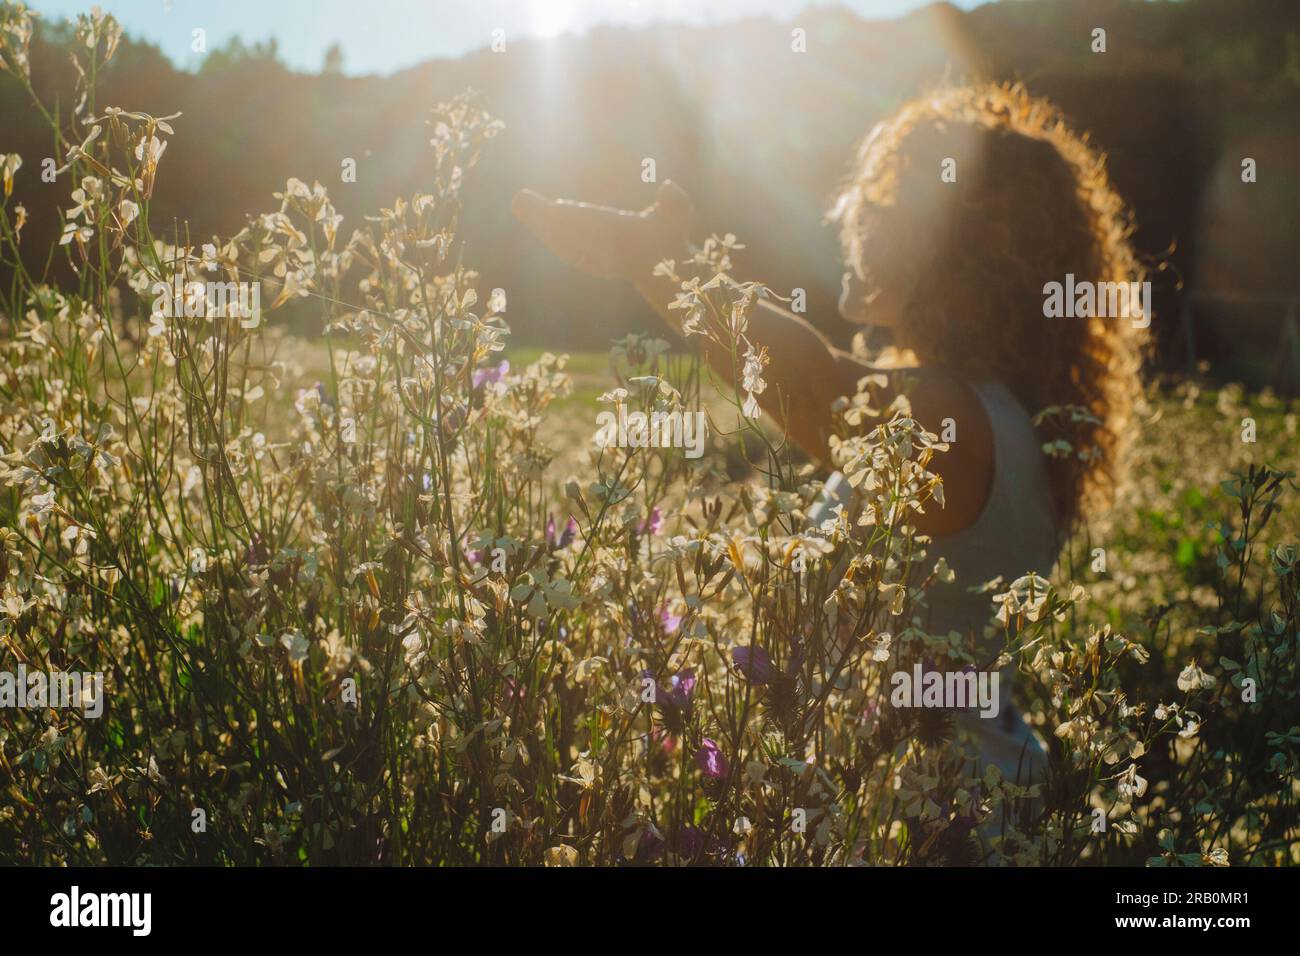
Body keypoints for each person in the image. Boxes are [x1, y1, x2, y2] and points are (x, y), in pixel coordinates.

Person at [512, 82, 1148, 790]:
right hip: (954, 796)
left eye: (881, 204)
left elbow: (812, 381)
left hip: (949, 821)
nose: (847, 213)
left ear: (953, 247)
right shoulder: (1011, 418)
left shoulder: (953, 417)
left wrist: (654, 259)